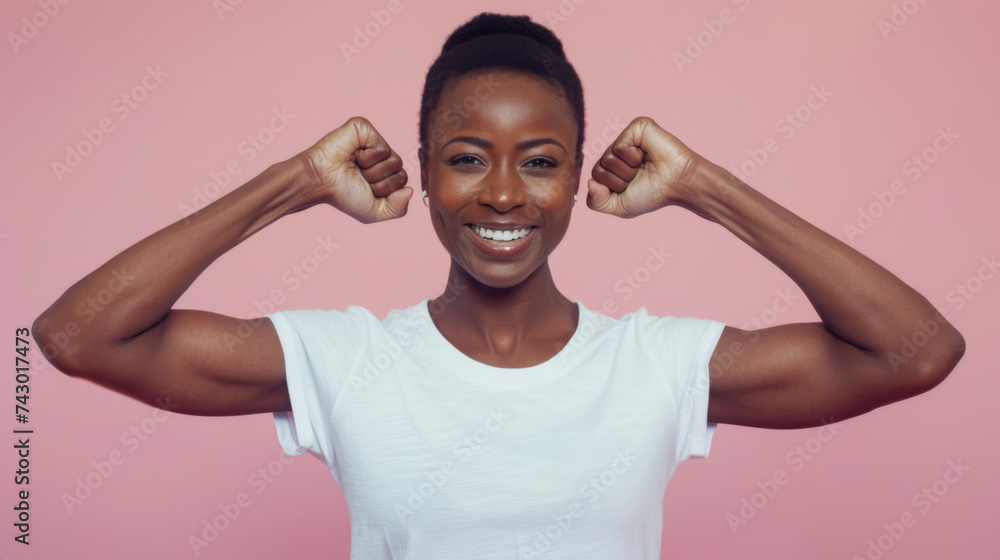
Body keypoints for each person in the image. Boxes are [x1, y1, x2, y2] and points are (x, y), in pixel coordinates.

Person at [33, 11, 965, 559]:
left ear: (577, 179)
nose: (507, 193)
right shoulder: (345, 359)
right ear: (426, 171)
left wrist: (706, 187)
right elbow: (78, 338)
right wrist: (293, 183)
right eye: (470, 158)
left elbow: (917, 352)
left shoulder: (658, 366)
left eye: (542, 160)